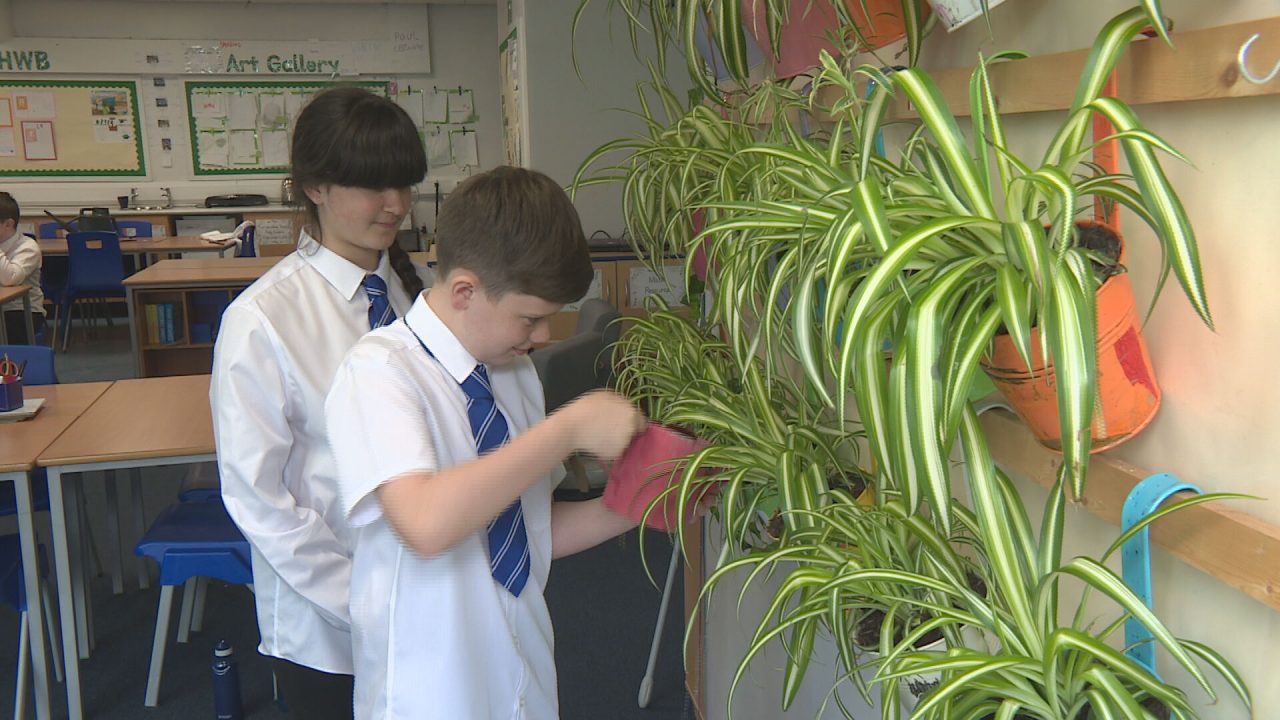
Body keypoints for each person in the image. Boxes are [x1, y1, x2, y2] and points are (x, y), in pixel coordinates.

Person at [324, 166, 647, 719]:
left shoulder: (513, 374)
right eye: (530, 318)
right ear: (466, 290)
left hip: (521, 670)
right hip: (431, 691)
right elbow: (426, 522)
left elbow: (530, 531)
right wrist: (566, 429)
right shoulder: (380, 371)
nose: (543, 337)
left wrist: (646, 499)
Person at [210, 86, 429, 720]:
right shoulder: (263, 319)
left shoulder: (420, 296)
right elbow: (258, 498)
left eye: (404, 185)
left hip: (432, 595)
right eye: (373, 186)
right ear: (315, 188)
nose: (396, 206)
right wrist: (366, 600)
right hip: (331, 626)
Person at [0, 192, 46, 345]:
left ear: (8, 224)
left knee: (9, 326)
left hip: (23, 311)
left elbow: (9, 278)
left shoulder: (28, 247)